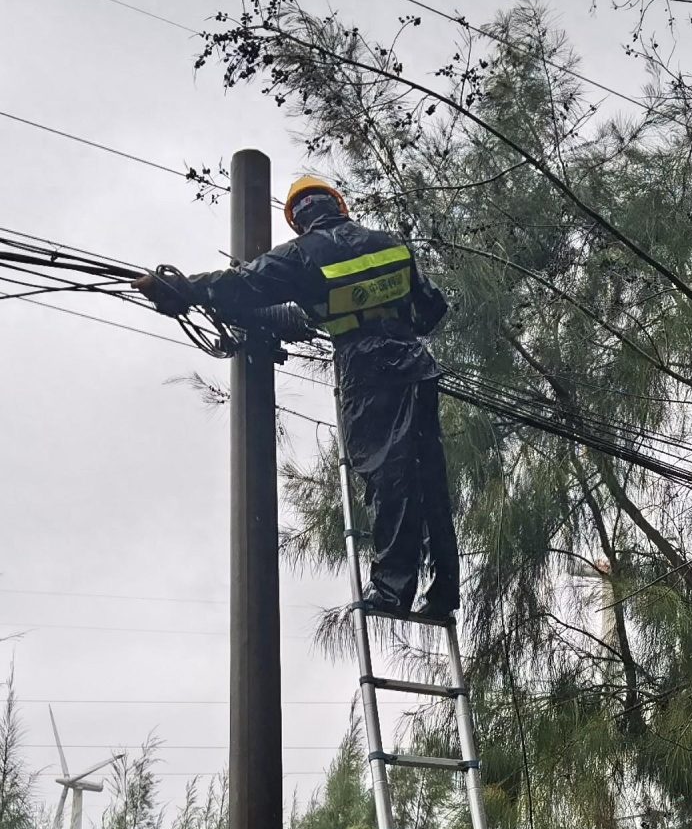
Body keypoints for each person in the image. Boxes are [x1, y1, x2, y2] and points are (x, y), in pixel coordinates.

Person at [139, 175, 461, 620]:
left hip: (366, 371)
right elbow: (432, 308)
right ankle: (444, 593)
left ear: (298, 220)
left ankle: (391, 591)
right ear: (338, 206)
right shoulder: (390, 244)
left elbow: (241, 284)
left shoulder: (303, 256)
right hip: (415, 365)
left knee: (388, 476)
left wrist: (181, 290)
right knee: (429, 480)